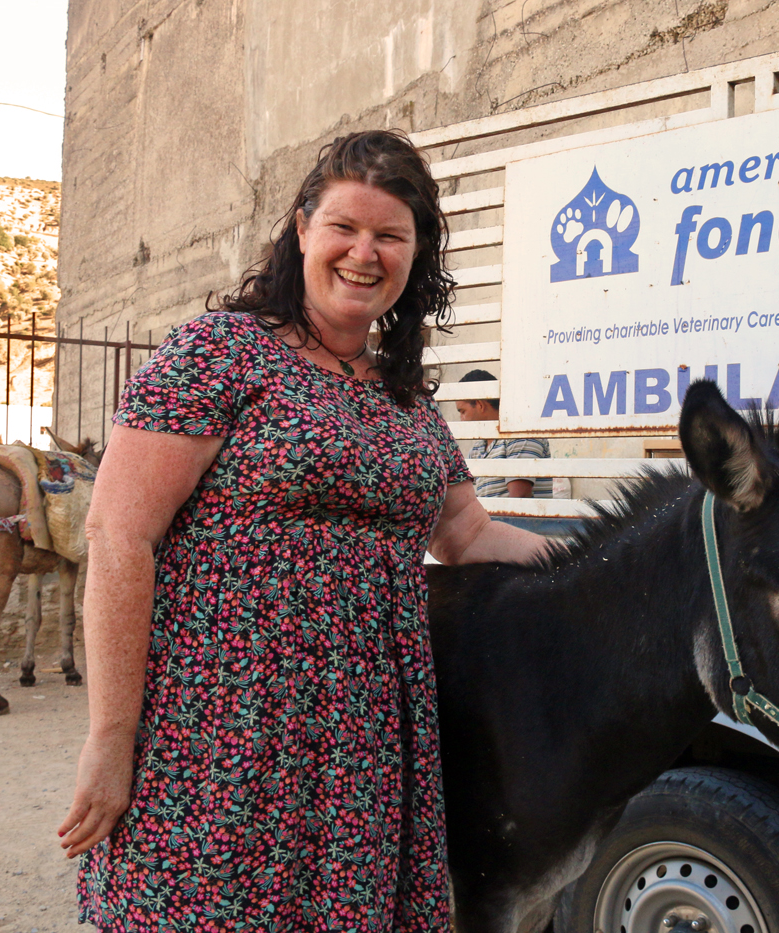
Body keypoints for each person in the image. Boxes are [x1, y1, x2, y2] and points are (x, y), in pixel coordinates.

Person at [57, 130, 549, 933]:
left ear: (416, 254)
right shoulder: (221, 353)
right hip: (221, 730)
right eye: (344, 227)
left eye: (390, 235)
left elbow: (467, 532)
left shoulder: (405, 398)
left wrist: (614, 558)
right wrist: (111, 737)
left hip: (364, 745)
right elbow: (118, 536)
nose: (364, 253)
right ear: (301, 230)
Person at [454, 369, 554, 498]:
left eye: (463, 411)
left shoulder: (519, 434)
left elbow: (519, 497)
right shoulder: (477, 448)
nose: (461, 419)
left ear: (480, 405)